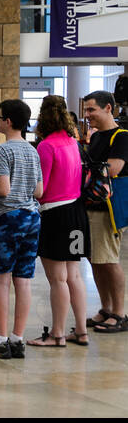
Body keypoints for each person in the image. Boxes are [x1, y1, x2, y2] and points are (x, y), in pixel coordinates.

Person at [0, 99, 43, 359]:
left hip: (8, 217)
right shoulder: (33, 150)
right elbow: (39, 191)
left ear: (9, 121)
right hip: (31, 218)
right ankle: (17, 339)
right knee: (23, 279)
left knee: (2, 279)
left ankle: (0, 340)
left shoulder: (2, 151)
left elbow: (2, 189)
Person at [27, 95, 89, 347]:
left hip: (55, 214)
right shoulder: (73, 143)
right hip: (76, 212)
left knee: (57, 279)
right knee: (73, 276)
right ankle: (81, 331)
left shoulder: (46, 146)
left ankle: (57, 334)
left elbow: (40, 190)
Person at [80, 90, 128, 333]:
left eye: (92, 110)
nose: (87, 115)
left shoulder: (122, 136)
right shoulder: (97, 137)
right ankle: (106, 308)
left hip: (108, 208)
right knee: (95, 259)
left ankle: (120, 313)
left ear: (108, 108)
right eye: (86, 110)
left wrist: (84, 172)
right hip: (91, 205)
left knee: (108, 260)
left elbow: (114, 169)